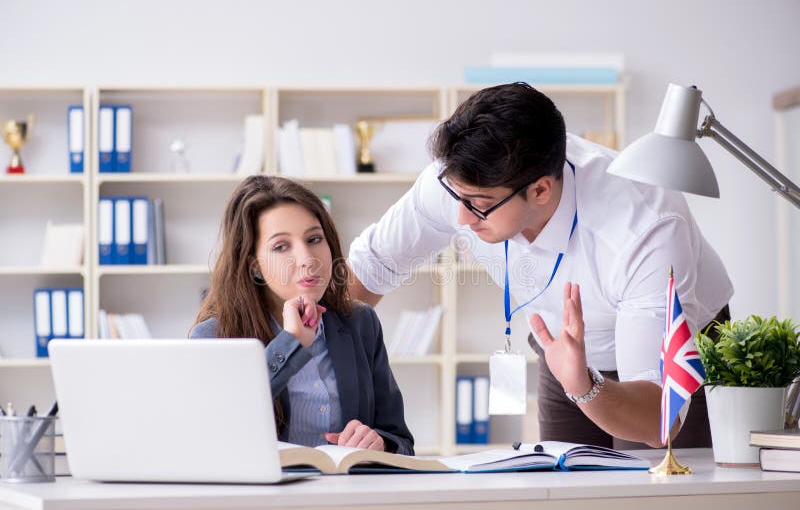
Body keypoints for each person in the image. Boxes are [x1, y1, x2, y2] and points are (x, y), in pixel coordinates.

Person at [348, 82, 733, 449]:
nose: (462, 220)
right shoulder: (456, 184)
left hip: (672, 351)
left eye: (480, 205)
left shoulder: (644, 227)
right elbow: (368, 269)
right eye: (457, 198)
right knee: (563, 486)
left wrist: (583, 384)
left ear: (541, 190)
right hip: (562, 346)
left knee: (655, 496)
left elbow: (658, 421)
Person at [191, 175, 414, 455]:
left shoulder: (360, 323)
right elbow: (212, 435)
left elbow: (401, 441)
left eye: (314, 239)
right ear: (254, 266)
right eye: (281, 246)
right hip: (262, 497)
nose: (308, 258)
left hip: (345, 494)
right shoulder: (214, 337)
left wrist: (380, 442)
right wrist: (290, 343)